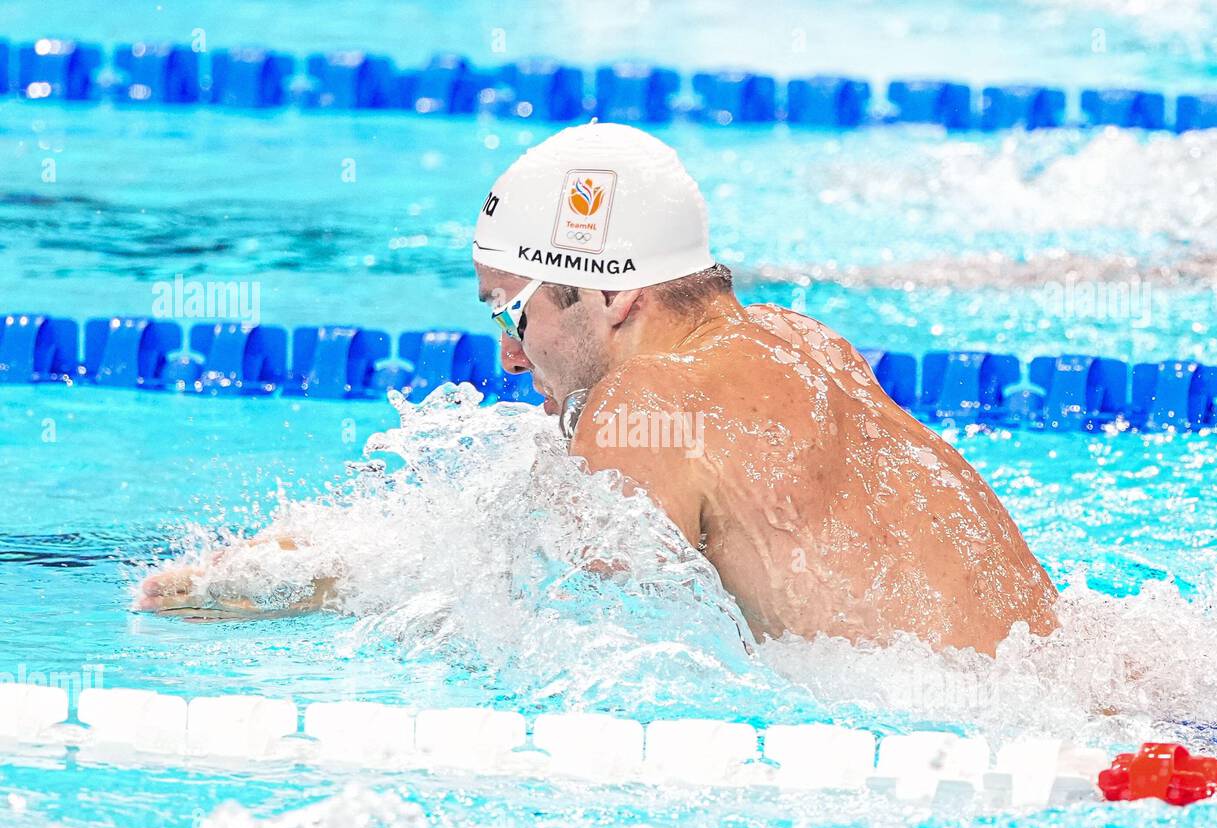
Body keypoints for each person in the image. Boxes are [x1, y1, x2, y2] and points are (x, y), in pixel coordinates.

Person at [139, 122, 1058, 655]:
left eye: (511, 314)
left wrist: (302, 582)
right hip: (1071, 693)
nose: (505, 357)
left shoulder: (645, 401)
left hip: (970, 748)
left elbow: (553, 626)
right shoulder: (806, 343)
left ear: (614, 293)